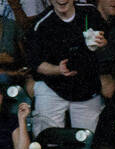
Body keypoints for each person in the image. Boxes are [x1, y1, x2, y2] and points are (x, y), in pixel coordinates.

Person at [27, 0, 105, 133]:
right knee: (48, 139)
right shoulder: (41, 24)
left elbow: (104, 37)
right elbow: (36, 64)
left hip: (86, 87)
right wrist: (57, 70)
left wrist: (102, 42)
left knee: (88, 140)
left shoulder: (89, 12)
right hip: (52, 86)